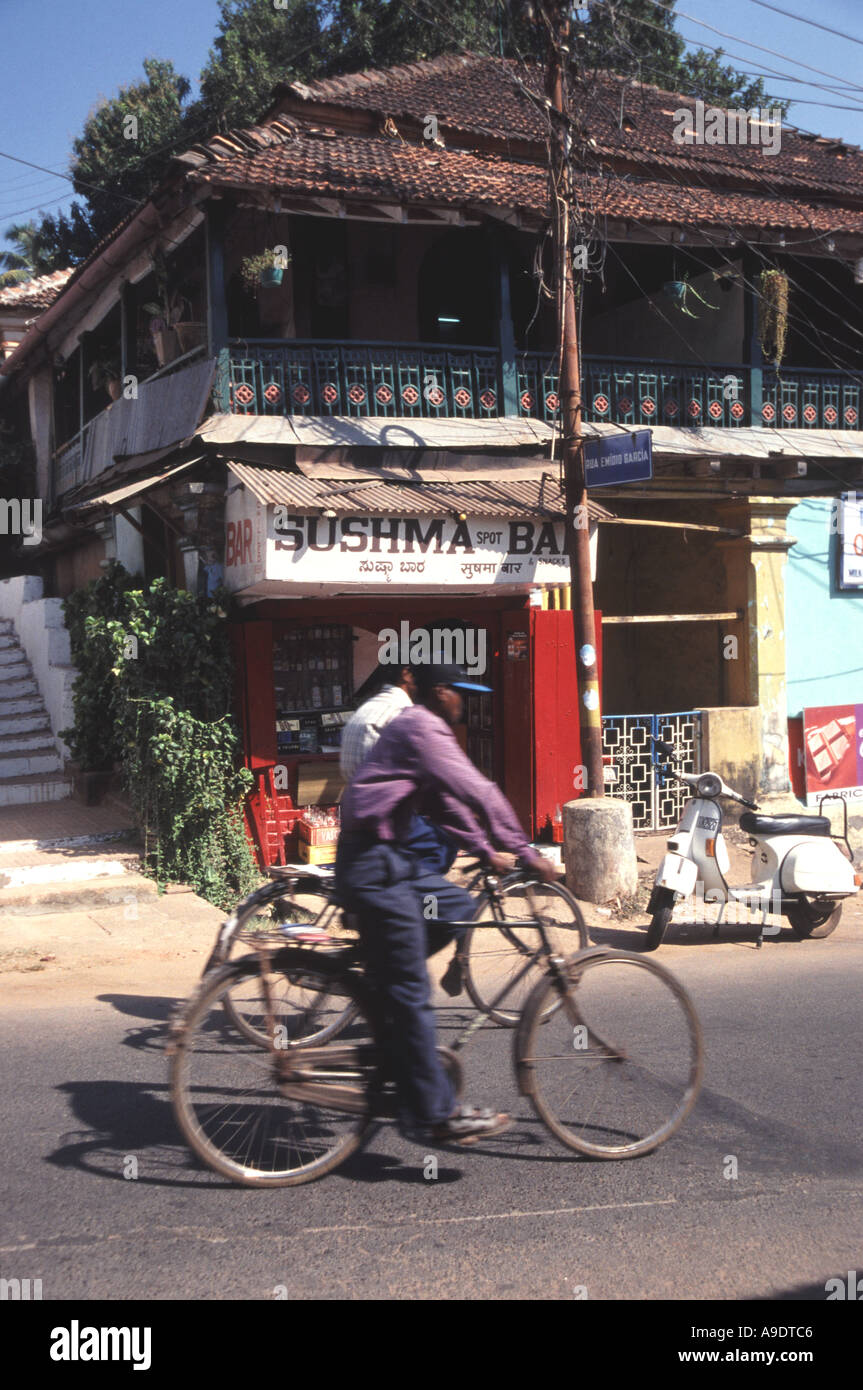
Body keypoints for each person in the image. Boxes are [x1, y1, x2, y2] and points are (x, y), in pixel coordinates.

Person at [335, 663, 557, 1146]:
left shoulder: (419, 730)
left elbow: (446, 807)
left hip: (387, 860)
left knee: (455, 907)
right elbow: (478, 790)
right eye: (462, 694)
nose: (466, 703)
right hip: (375, 865)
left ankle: (389, 991)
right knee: (414, 992)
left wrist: (484, 850)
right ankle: (437, 1115)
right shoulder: (422, 727)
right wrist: (525, 852)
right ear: (441, 693)